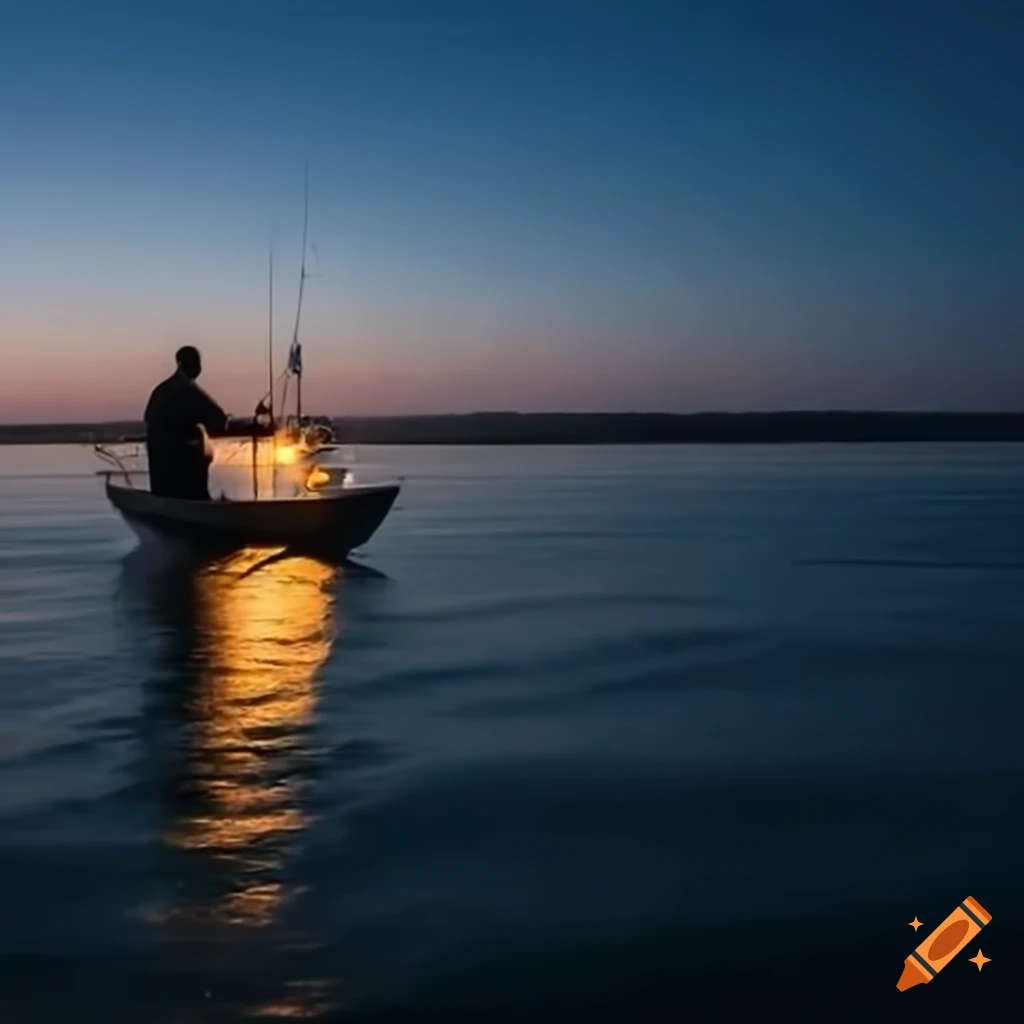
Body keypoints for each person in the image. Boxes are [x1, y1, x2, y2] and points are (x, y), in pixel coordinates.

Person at [143, 346, 230, 500]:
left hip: (160, 473)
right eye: (196, 363)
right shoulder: (185, 391)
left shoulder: (163, 389)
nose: (199, 367)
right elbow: (217, 417)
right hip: (178, 463)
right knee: (203, 455)